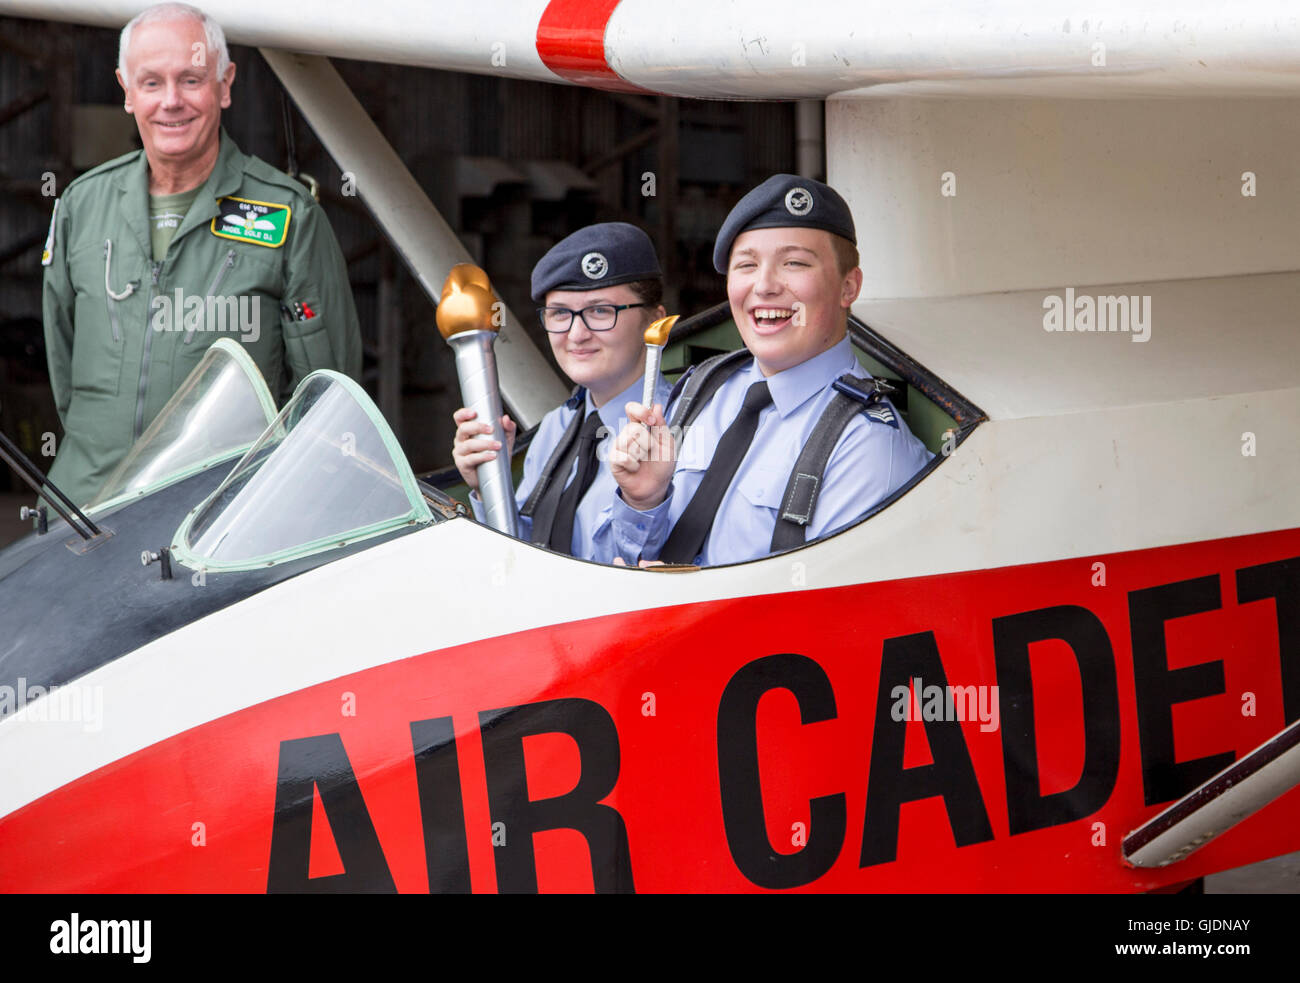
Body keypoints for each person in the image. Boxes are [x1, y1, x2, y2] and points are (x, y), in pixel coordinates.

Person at [40, 2, 362, 508]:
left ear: (225, 84)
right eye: (151, 83)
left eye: (191, 80)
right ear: (126, 90)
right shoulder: (82, 204)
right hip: (82, 511)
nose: (172, 101)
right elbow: (63, 365)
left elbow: (325, 396)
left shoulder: (288, 214)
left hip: (218, 519)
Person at [603, 174, 933, 566]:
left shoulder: (868, 449)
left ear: (848, 287)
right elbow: (621, 565)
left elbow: (825, 616)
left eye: (794, 263)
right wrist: (644, 502)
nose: (764, 286)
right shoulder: (702, 390)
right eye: (746, 265)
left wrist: (684, 601)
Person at [451, 222, 671, 559]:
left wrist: (643, 503)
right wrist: (488, 485)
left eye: (600, 311)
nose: (576, 334)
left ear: (654, 320)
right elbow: (528, 554)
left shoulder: (683, 426)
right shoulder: (556, 428)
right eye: (560, 314)